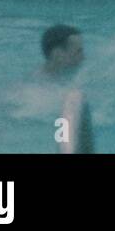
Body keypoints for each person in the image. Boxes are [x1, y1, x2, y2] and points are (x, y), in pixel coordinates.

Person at [38, 24, 94, 153]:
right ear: (57, 53)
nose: (83, 57)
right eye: (78, 51)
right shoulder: (34, 91)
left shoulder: (67, 79)